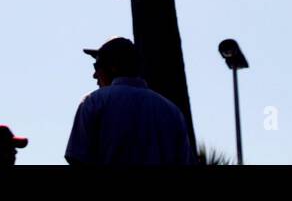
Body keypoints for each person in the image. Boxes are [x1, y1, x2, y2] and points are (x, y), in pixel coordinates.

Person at [65, 36, 195, 165]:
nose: (94, 75)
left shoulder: (93, 102)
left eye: (97, 66)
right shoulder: (172, 112)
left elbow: (78, 159)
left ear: (113, 67)